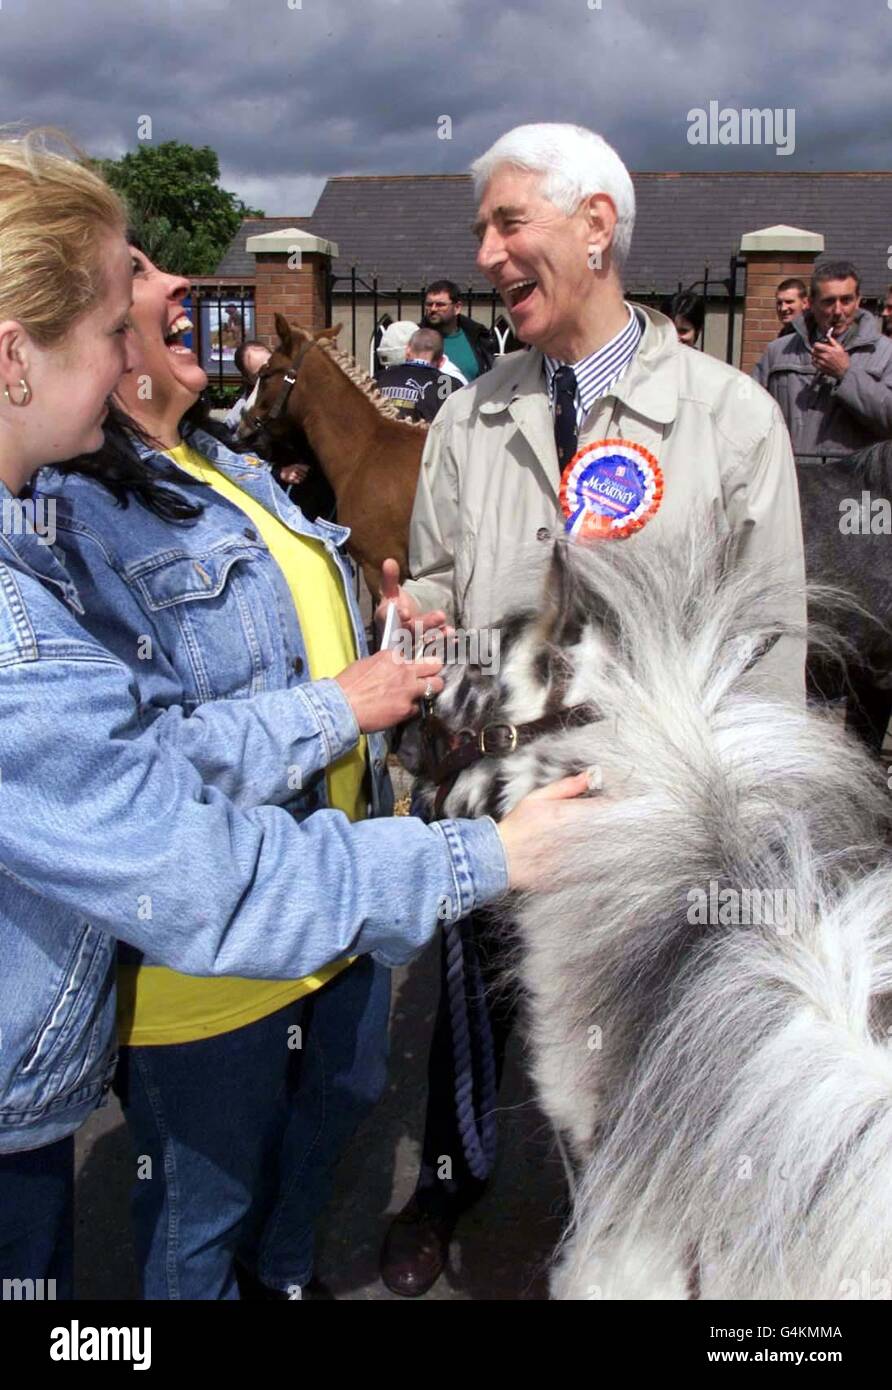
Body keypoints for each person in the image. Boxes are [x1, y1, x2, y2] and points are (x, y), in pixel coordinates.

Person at [0, 131, 594, 1302]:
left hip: (312, 891)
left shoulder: (224, 464)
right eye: (118, 324)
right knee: (176, 1248)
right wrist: (491, 851)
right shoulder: (46, 571)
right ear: (15, 356)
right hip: (205, 961)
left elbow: (156, 746)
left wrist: (352, 683)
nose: (140, 341)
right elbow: (194, 858)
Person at [376, 120, 806, 1298]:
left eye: (508, 222)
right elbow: (438, 583)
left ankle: (644, 1243)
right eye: (482, 229)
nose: (485, 251)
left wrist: (755, 833)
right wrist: (415, 622)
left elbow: (768, 643)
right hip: (498, 794)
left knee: (635, 1062)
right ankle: (451, 1187)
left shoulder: (730, 419)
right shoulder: (470, 416)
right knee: (473, 1016)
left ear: (596, 226)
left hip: (649, 820)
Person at [753, 259, 892, 460]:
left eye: (846, 300)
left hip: (850, 483)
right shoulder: (779, 351)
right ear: (811, 303)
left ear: (858, 300)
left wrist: (846, 374)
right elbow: (750, 415)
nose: (838, 311)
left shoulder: (884, 352)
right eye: (828, 301)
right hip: (790, 478)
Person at [376, 327, 459, 422]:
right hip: (423, 436)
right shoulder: (449, 385)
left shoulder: (380, 378)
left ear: (407, 351)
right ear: (441, 361)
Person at [422, 280, 497, 380]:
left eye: (440, 305)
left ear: (457, 307)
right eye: (429, 304)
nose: (433, 309)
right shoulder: (416, 339)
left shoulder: (478, 337)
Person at [223, 339, 271, 434]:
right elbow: (225, 436)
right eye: (260, 374)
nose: (270, 376)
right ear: (248, 380)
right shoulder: (242, 410)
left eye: (271, 367)